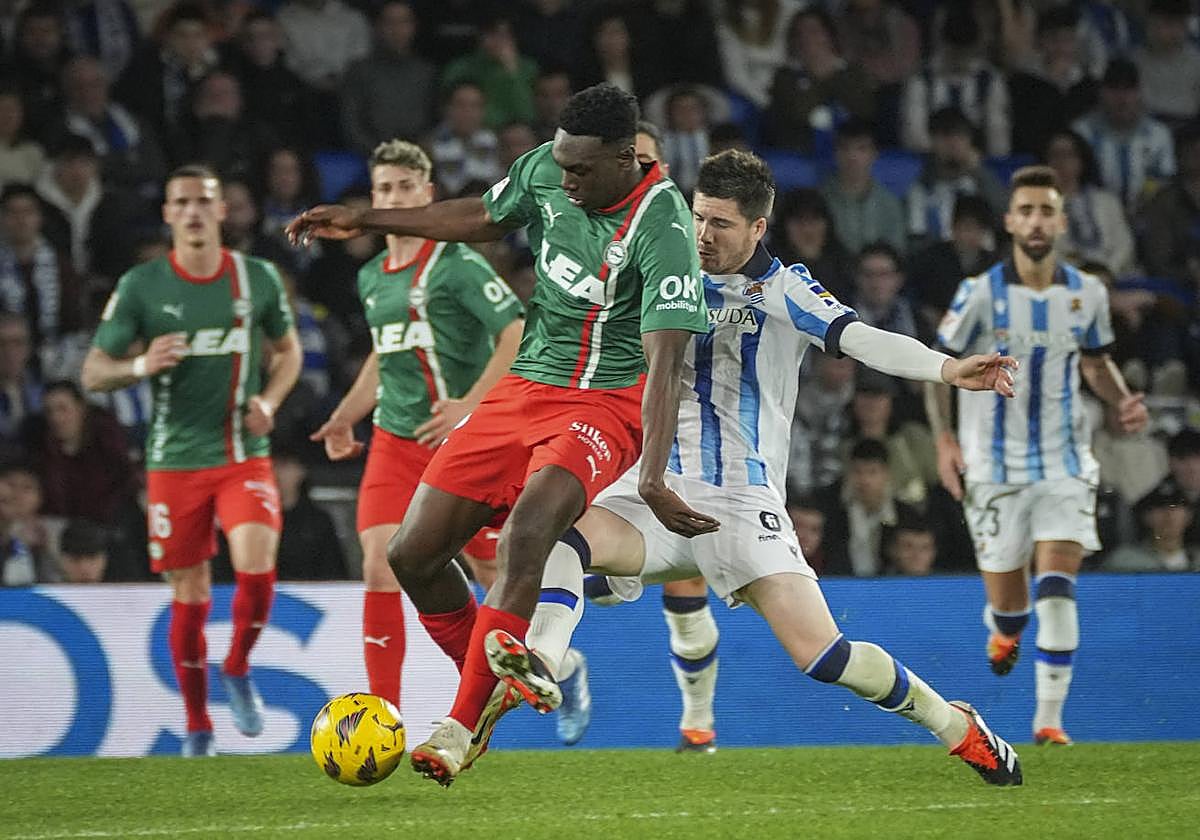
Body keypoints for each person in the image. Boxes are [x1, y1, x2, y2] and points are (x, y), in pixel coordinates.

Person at [489, 149, 1023, 787]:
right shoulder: (663, 268)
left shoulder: (785, 290)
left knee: (824, 657)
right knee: (557, 538)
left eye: (720, 224)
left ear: (757, 227)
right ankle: (544, 663)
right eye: (697, 218)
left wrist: (946, 367)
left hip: (738, 501)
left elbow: (861, 339)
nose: (703, 235)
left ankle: (955, 724)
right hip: (649, 489)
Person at [287, 83, 712, 786]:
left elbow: (665, 363)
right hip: (525, 388)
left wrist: (652, 476)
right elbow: (484, 216)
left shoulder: (663, 225)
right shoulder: (550, 165)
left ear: (624, 158)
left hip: (605, 403)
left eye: (580, 171)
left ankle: (460, 728)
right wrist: (367, 216)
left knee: (526, 533)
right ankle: (493, 680)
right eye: (562, 165)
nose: (565, 180)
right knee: (412, 554)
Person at [81, 164, 302, 757]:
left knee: (257, 566)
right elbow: (93, 372)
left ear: (222, 211)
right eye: (181, 202)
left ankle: (238, 665)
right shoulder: (142, 286)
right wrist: (140, 365)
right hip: (174, 461)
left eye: (204, 201)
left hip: (241, 453)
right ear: (167, 214)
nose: (194, 212)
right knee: (191, 588)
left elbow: (289, 352)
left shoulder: (256, 278)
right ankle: (198, 725)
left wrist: (269, 400)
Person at [925, 165, 1148, 747]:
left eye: (1047, 210)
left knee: (1056, 584)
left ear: (1062, 222)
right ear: (1009, 222)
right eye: (1026, 211)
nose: (1036, 222)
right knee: (1011, 609)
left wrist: (1123, 401)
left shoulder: (1087, 293)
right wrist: (944, 441)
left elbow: (1095, 363)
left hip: (1064, 463)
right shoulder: (979, 292)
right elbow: (938, 369)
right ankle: (1004, 631)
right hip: (992, 467)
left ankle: (1049, 721)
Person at [309, 139, 525, 712]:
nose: (395, 198)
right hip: (395, 439)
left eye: (406, 187)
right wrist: (345, 414)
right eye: (385, 189)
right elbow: (385, 353)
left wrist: (467, 406)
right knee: (380, 565)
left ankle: (545, 668)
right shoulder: (372, 276)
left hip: (462, 444)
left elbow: (515, 332)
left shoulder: (457, 264)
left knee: (491, 571)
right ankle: (384, 714)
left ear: (427, 194)